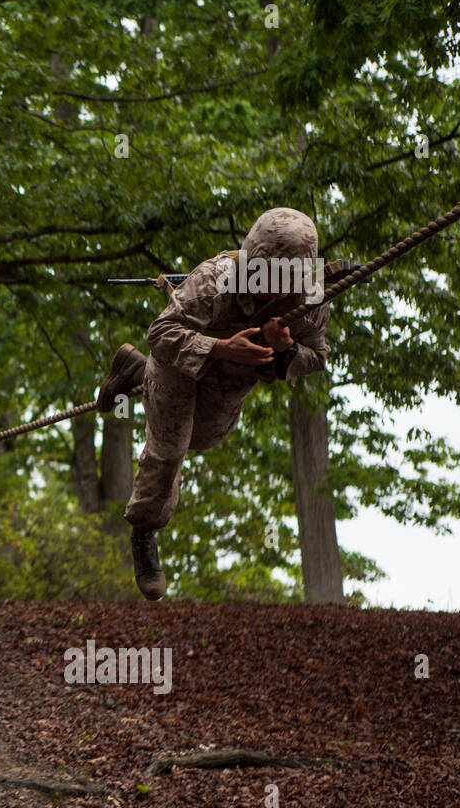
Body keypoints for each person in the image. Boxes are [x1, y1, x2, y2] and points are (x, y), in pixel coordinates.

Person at [97, 208, 331, 601]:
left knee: (202, 438)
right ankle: (144, 530)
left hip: (230, 379)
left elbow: (318, 356)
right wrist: (223, 347)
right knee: (169, 451)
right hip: (179, 364)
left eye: (283, 277)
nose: (271, 285)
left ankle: (135, 373)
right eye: (264, 272)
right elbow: (161, 332)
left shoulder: (310, 300)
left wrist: (287, 348)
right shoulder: (215, 279)